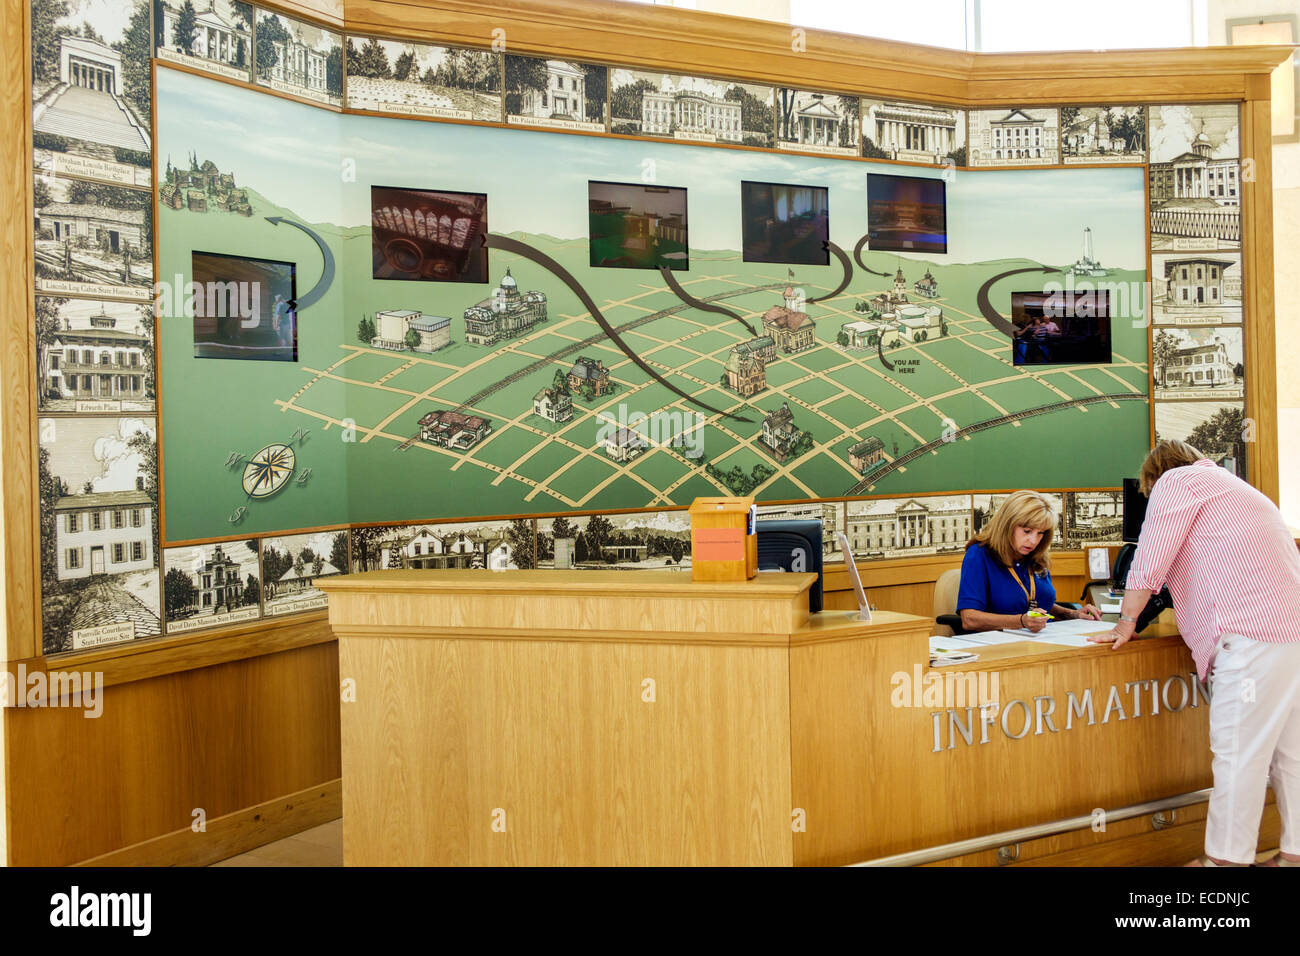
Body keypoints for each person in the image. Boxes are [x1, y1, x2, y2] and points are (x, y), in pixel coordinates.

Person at [1089, 440, 1300, 867]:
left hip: (1249, 638)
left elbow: (1149, 558)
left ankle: (1225, 862)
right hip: (1291, 633)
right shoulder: (1234, 488)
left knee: (1239, 755)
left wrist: (1126, 623)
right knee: (1292, 755)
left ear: (1153, 476)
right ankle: (1293, 855)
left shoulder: (1178, 482)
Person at [956, 490, 1102, 633]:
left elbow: (1036, 604)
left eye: (1040, 533)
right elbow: (969, 619)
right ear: (1007, 525)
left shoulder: (1036, 556)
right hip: (999, 645)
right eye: (1027, 531)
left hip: (1045, 640)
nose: (1033, 541)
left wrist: (1072, 615)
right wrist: (1021, 621)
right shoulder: (979, 555)